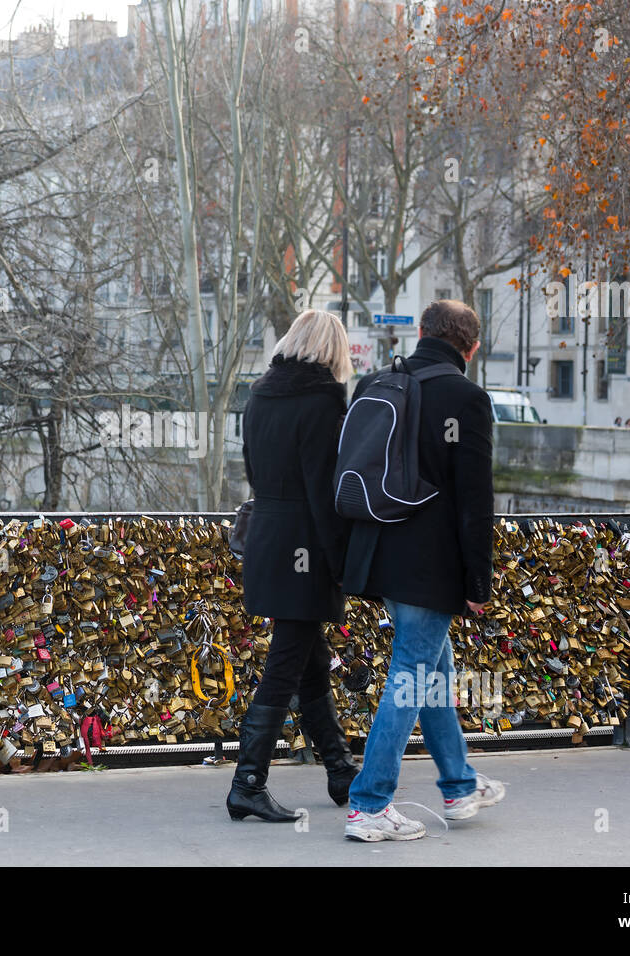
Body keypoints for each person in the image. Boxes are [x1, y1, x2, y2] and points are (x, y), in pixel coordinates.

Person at [339, 300, 505, 842]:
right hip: (428, 566)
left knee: (432, 670)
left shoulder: (380, 381)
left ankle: (458, 786)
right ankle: (369, 804)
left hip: (377, 553)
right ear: (472, 348)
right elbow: (474, 501)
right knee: (411, 675)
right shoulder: (467, 398)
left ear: (421, 333)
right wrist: (478, 581)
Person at [230, 309, 355, 822]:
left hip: (268, 536)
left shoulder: (260, 394)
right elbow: (324, 492)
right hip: (305, 541)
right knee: (285, 667)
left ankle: (342, 770)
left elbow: (254, 471)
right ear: (334, 351)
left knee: (306, 660)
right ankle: (247, 782)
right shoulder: (325, 401)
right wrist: (342, 560)